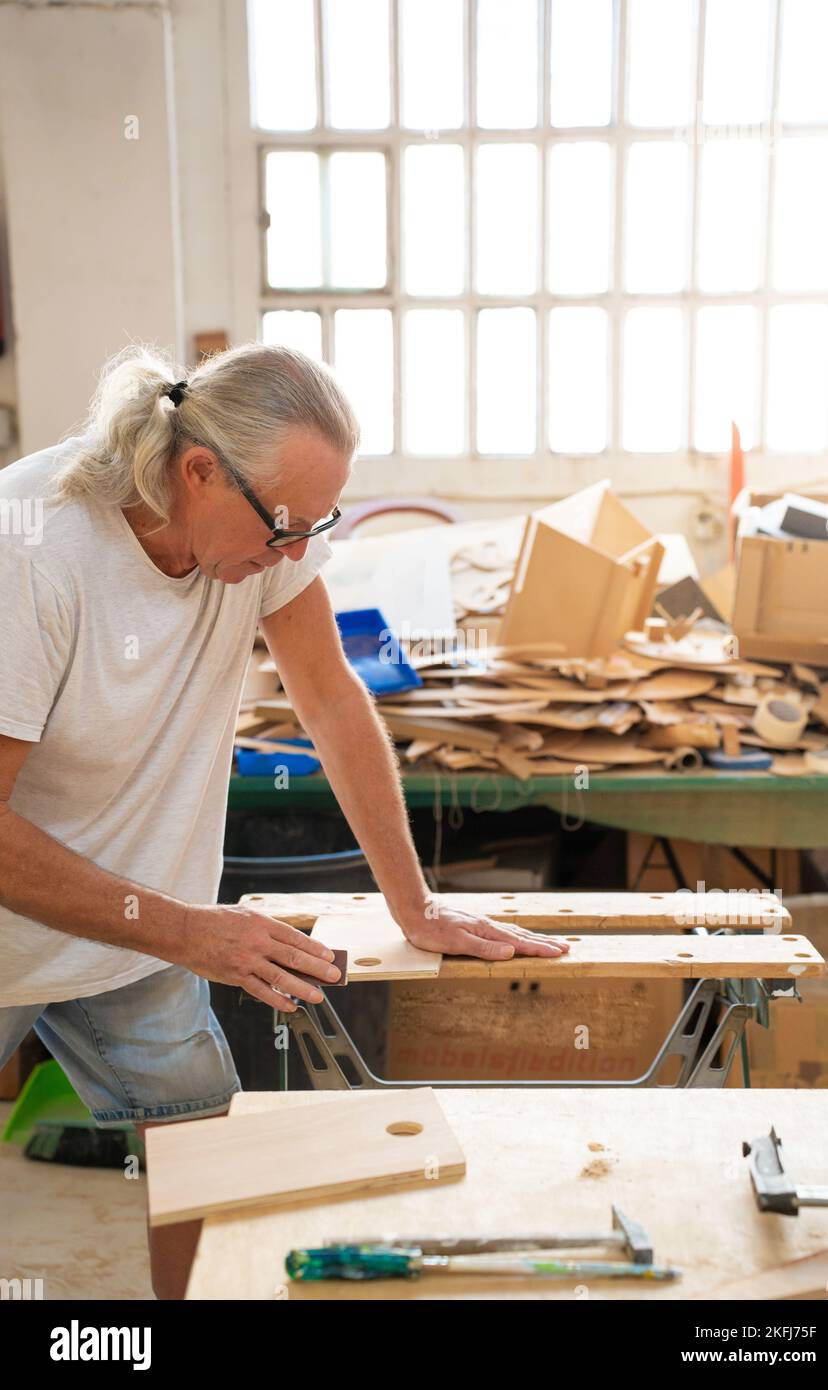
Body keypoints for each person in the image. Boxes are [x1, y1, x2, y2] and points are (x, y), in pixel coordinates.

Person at [0, 341, 567, 1298]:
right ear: (197, 470)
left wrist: (414, 905)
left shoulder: (261, 534)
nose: (298, 554)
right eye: (286, 527)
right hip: (34, 906)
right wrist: (186, 928)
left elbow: (333, 704)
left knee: (203, 1169)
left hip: (137, 932)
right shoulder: (36, 554)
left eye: (318, 526)